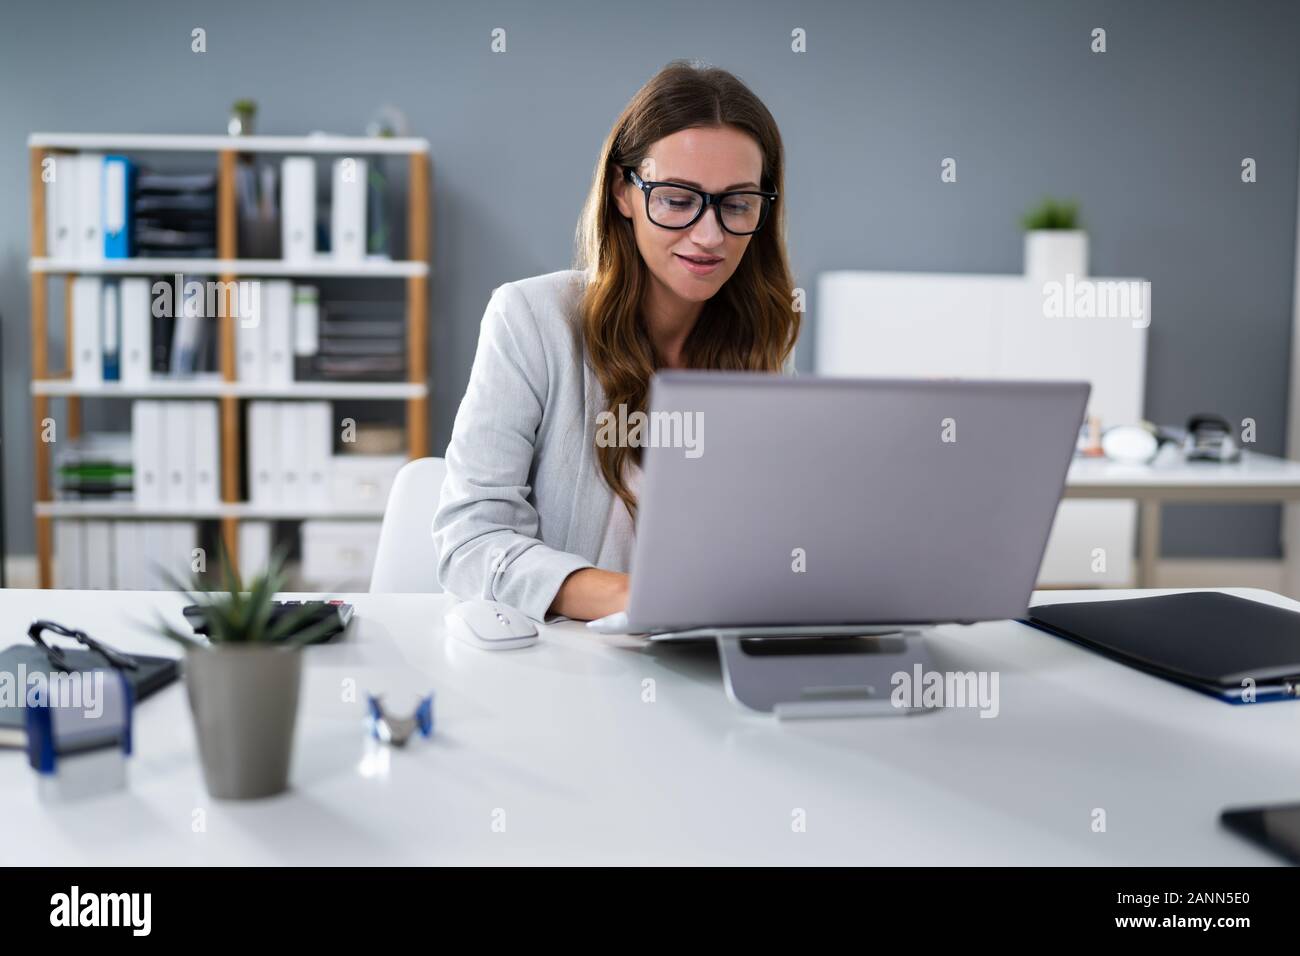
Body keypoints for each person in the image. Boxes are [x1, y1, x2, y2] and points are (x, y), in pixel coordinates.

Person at [434, 59, 799, 622]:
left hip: (705, 664)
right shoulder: (531, 319)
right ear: (623, 193)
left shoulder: (762, 345)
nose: (709, 236)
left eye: (736, 204)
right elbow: (470, 543)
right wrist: (639, 598)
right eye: (678, 199)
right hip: (563, 671)